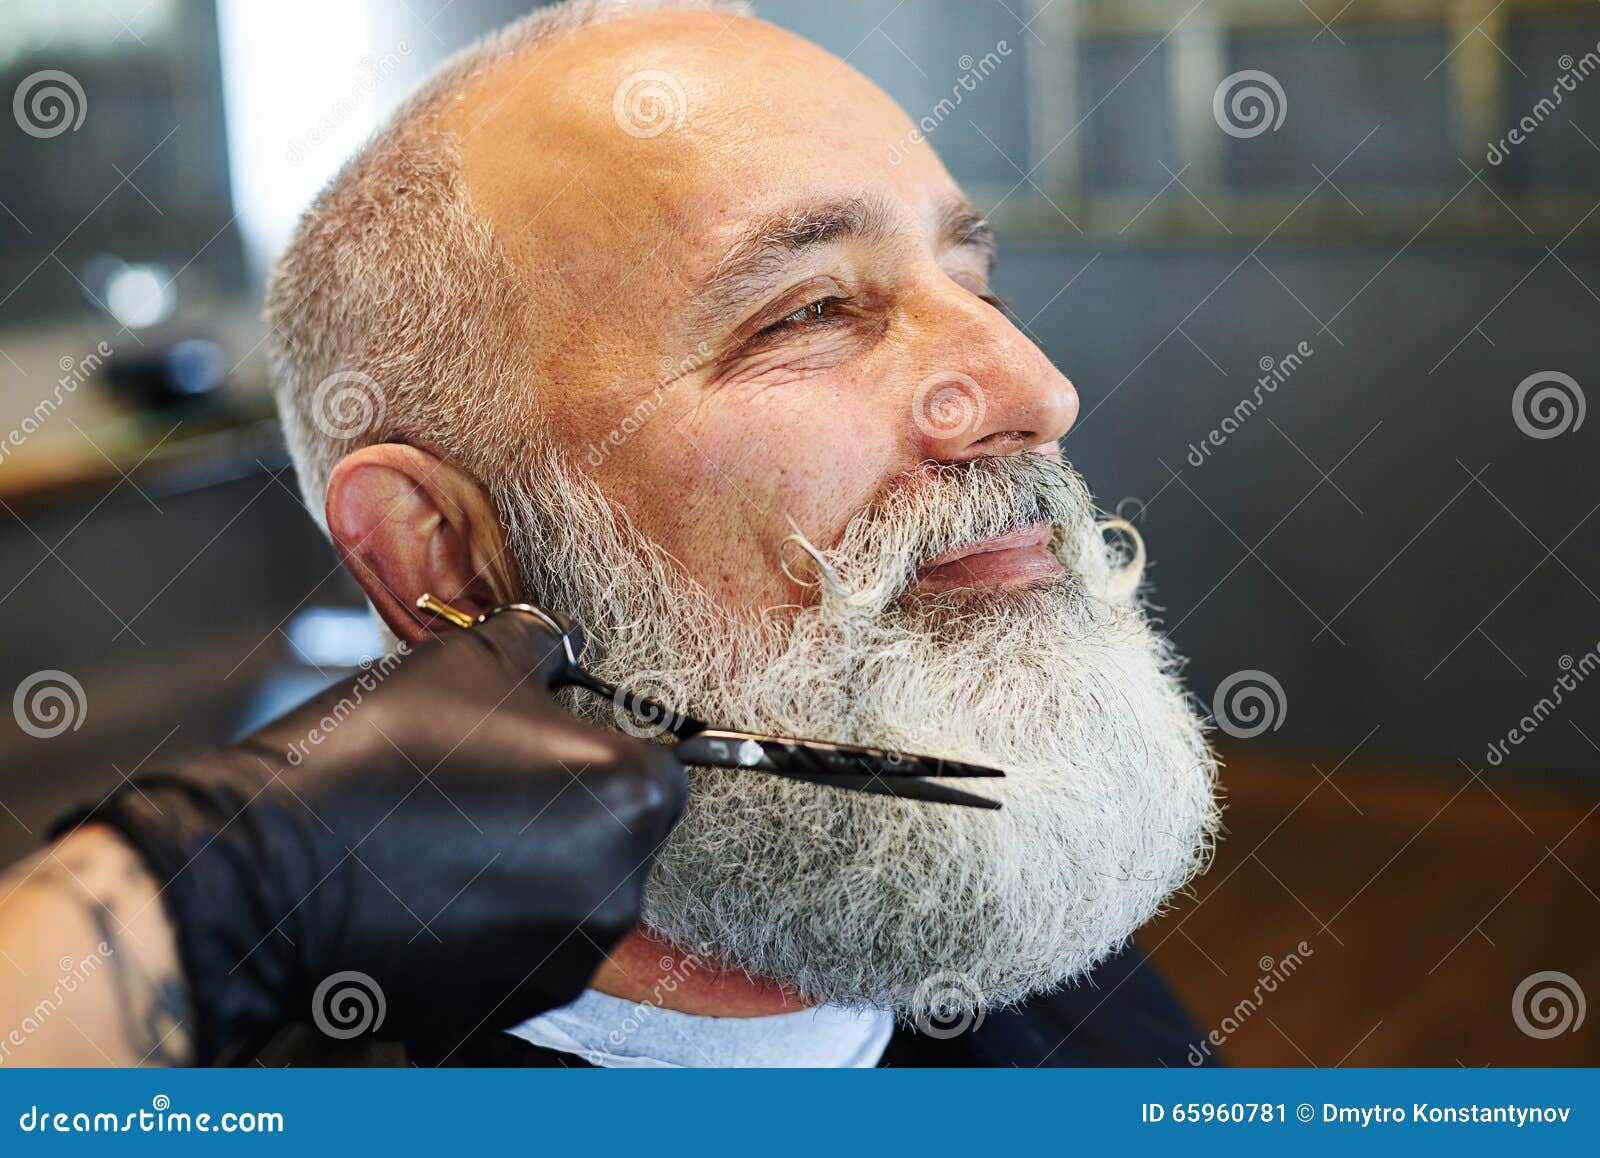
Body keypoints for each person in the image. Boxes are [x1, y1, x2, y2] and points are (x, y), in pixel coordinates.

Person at [3, 0, 1221, 1068]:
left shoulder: (982, 905)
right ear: (442, 555)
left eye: (976, 283)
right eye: (808, 311)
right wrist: (208, 898)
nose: (1035, 388)